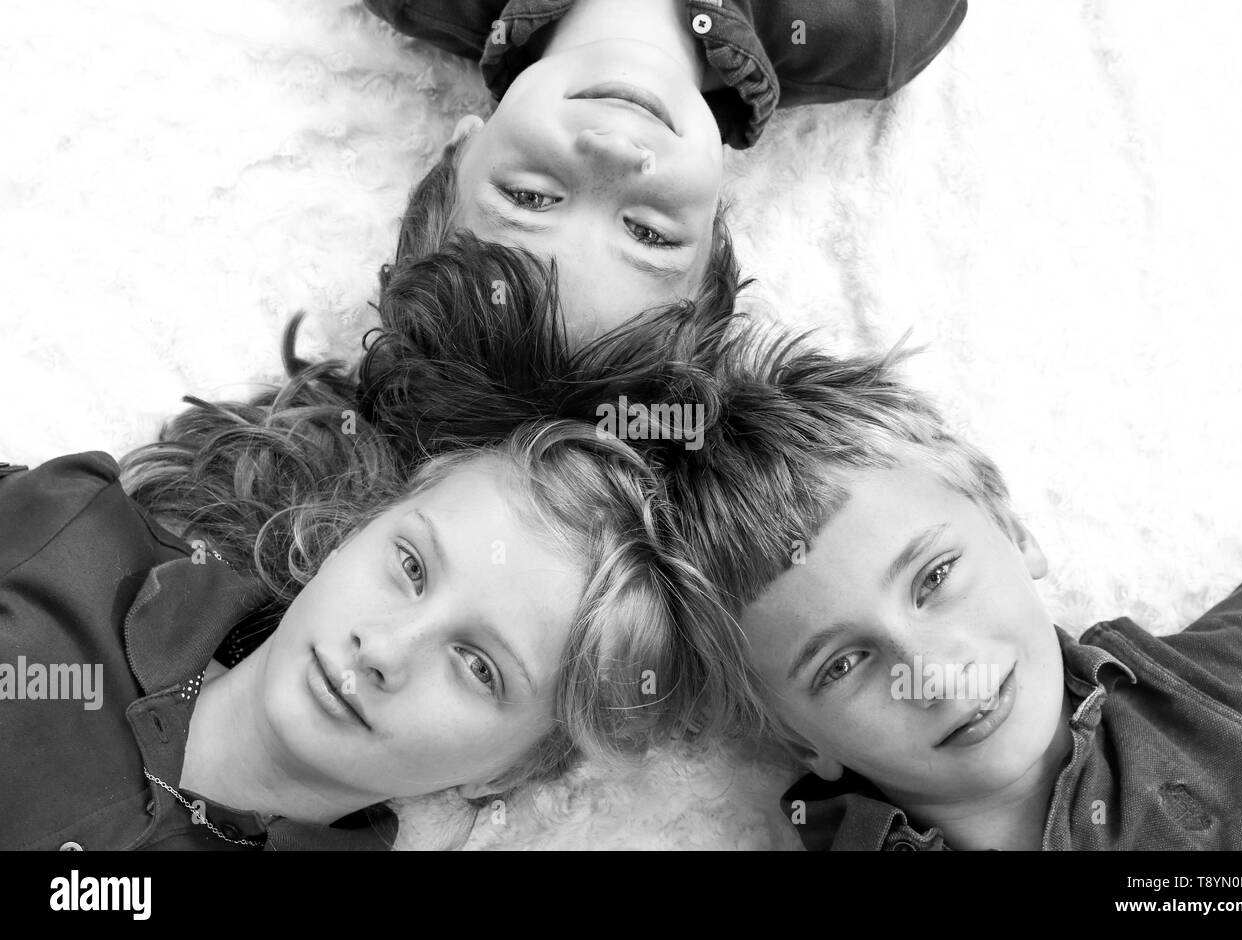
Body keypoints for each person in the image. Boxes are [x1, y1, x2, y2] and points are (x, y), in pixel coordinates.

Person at [0, 257, 738, 851]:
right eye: (412, 567)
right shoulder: (72, 532)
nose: (384, 647)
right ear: (360, 527)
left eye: (479, 667)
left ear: (508, 769)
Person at [652, 326, 1242, 850]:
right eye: (843, 664)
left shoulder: (1234, 685)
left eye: (933, 578)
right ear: (801, 742)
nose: (933, 677)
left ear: (1015, 533)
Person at [366, 0, 967, 337]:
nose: (616, 152)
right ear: (715, 232)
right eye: (648, 233)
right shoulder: (878, 27)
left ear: (461, 149)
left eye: (531, 198)